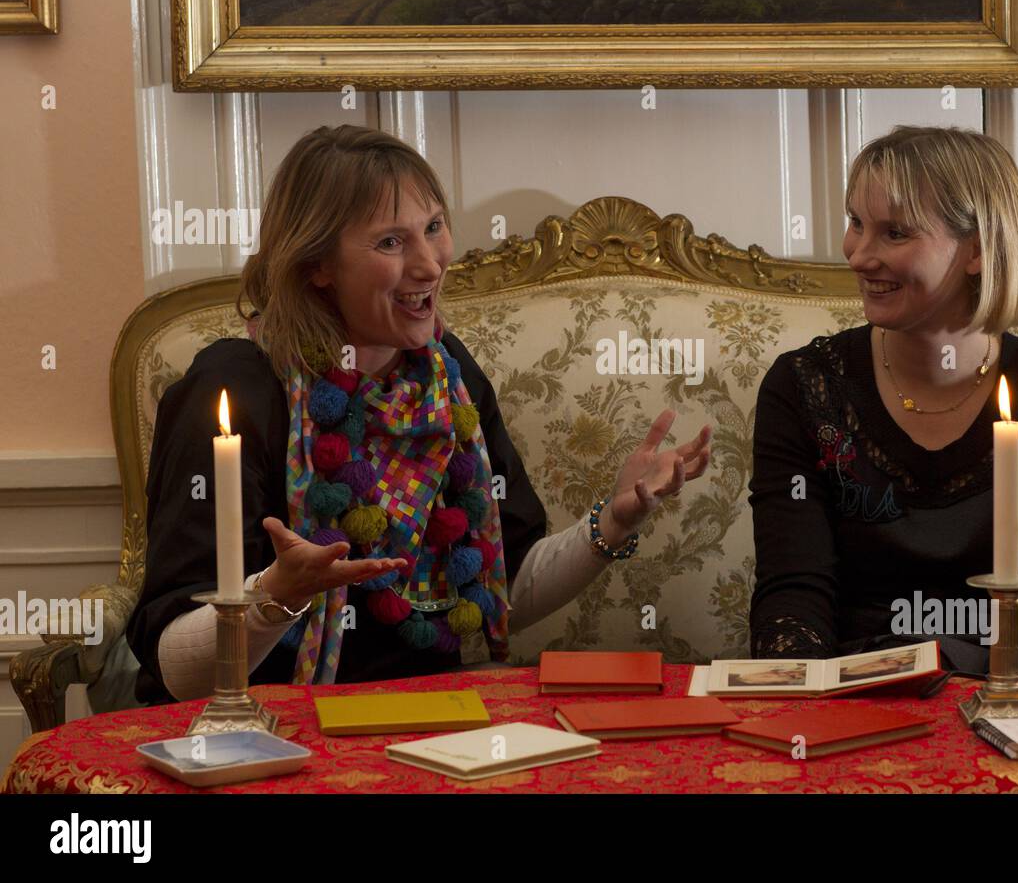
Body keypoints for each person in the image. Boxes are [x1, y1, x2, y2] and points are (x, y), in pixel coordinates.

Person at [127, 125, 711, 704]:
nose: (431, 264)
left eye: (433, 228)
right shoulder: (232, 391)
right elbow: (177, 669)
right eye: (391, 242)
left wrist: (615, 518)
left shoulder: (448, 375)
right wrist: (276, 595)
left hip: (428, 725)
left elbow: (504, 585)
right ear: (316, 265)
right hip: (263, 734)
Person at [747, 125, 1018, 683]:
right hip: (845, 706)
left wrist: (961, 694)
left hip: (1004, 703)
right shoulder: (803, 387)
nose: (859, 256)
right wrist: (808, 708)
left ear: (978, 248)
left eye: (894, 233)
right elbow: (793, 597)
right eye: (855, 223)